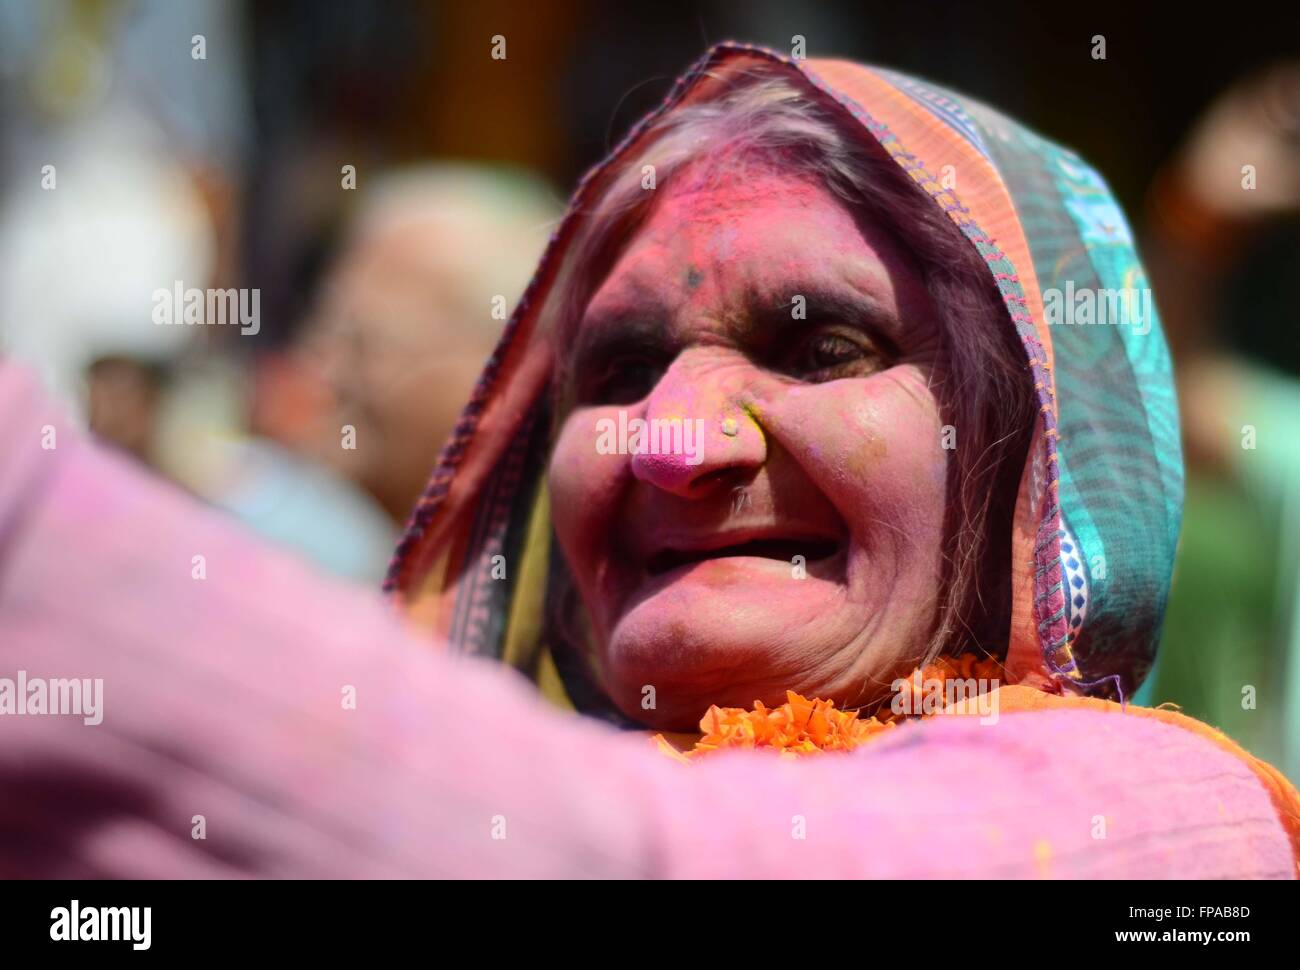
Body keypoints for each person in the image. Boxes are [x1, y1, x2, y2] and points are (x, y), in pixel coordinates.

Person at [2, 45, 1296, 879]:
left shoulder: (1167, 827)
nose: (671, 444)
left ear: (1026, 451)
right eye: (614, 373)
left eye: (821, 345)